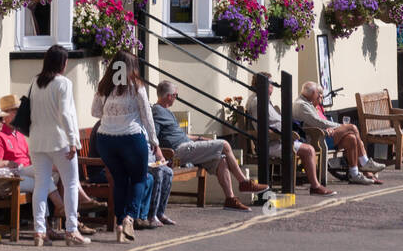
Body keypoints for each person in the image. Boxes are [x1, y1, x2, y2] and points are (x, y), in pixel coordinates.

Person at [153, 79, 268, 210]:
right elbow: (153, 137)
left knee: (221, 161)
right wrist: (162, 156)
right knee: (224, 144)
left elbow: (183, 136)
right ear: (169, 96)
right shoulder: (156, 111)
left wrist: (202, 139)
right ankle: (244, 183)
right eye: (175, 96)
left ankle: (230, 199)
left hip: (187, 147)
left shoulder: (167, 112)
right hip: (178, 152)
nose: (176, 99)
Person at [0, 94, 101, 234]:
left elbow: (29, 156)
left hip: (29, 169)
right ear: (5, 115)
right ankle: (72, 211)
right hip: (16, 173)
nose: (19, 114)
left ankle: (64, 221)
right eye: (15, 111)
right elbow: (0, 163)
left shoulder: (19, 134)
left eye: (18, 111)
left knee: (49, 176)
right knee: (50, 174)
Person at [92, 50, 163, 242]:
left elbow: (95, 112)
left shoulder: (104, 86)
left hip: (106, 139)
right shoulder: (136, 86)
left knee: (120, 180)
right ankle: (130, 217)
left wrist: (113, 116)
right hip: (131, 137)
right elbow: (147, 117)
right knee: (140, 178)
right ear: (132, 67)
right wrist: (155, 143)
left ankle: (119, 223)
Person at [28, 45, 89, 248]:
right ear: (62, 63)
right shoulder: (63, 83)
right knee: (71, 183)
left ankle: (39, 232)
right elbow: (66, 114)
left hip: (37, 141)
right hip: (60, 140)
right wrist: (73, 140)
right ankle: (72, 230)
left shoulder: (34, 82)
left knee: (41, 185)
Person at [245, 73, 331, 195]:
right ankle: (315, 186)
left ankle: (315, 185)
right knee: (309, 150)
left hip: (280, 139)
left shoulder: (262, 99)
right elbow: (261, 129)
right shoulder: (258, 102)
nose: (273, 86)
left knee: (309, 147)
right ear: (264, 84)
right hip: (272, 143)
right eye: (271, 83)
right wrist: (283, 134)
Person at [294, 81, 384, 185]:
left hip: (323, 134)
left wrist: (330, 128)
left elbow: (316, 122)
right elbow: (318, 122)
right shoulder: (302, 105)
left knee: (351, 139)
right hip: (315, 139)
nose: (321, 96)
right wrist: (341, 126)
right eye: (319, 94)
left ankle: (354, 174)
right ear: (314, 93)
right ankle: (365, 163)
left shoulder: (310, 104)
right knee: (352, 128)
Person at [134, 136, 175, 228]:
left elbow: (156, 147)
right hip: (141, 164)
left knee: (169, 172)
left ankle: (160, 213)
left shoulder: (148, 130)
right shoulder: (133, 128)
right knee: (158, 173)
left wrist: (161, 158)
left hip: (153, 163)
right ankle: (151, 215)